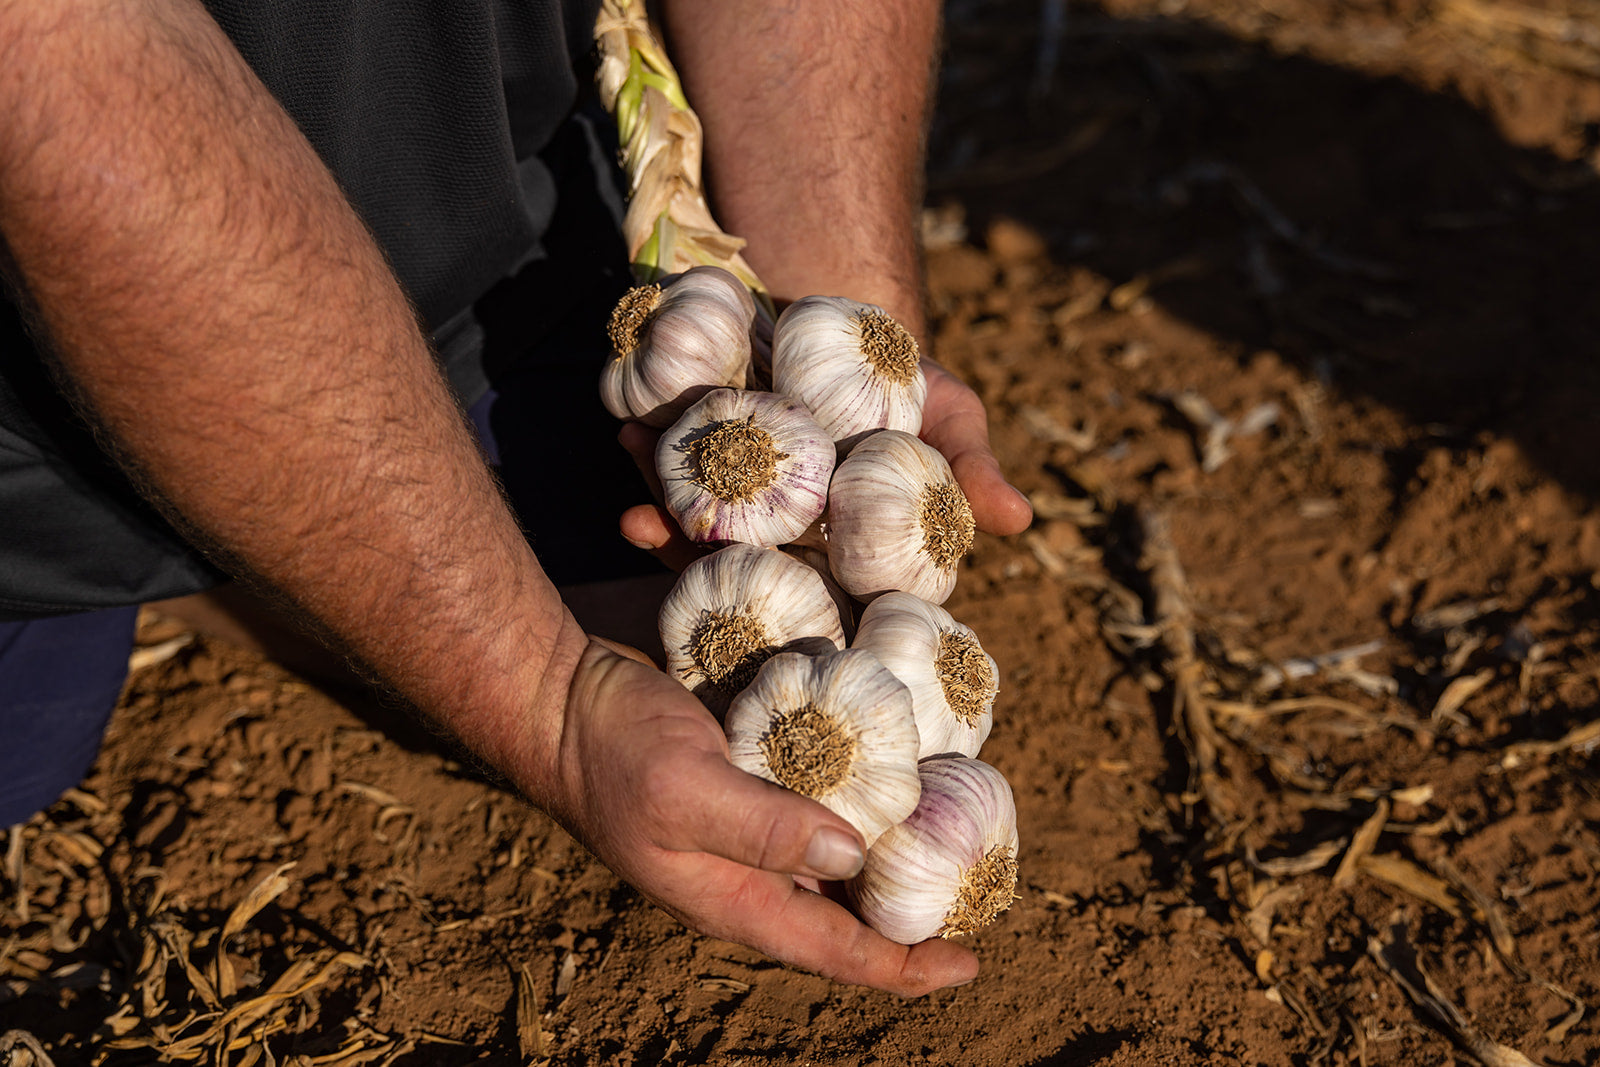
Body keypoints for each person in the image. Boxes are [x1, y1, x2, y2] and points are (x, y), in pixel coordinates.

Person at [0, 0, 1032, 996]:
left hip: (507, 249)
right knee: (21, 758)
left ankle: (300, 552)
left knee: (671, 626)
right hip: (43, 393)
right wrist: (546, 702)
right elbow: (67, 82)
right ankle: (231, 558)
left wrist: (846, 380)